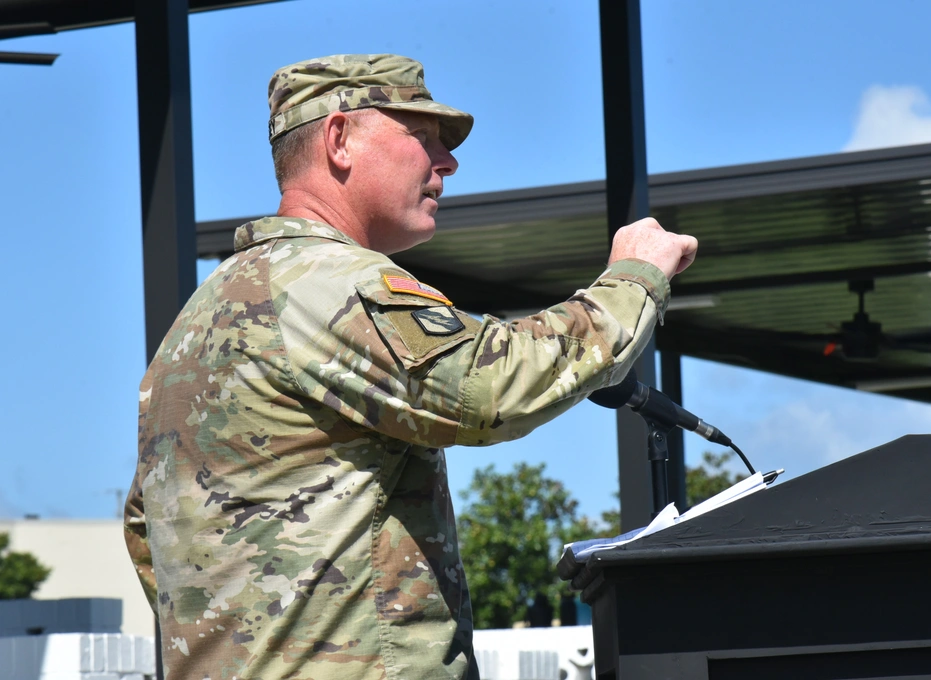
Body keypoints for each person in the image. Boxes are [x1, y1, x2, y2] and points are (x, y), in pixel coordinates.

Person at [124, 53, 697, 680]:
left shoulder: (200, 318)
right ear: (339, 139)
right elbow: (493, 387)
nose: (447, 162)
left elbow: (145, 529)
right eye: (421, 137)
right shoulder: (331, 282)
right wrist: (633, 278)